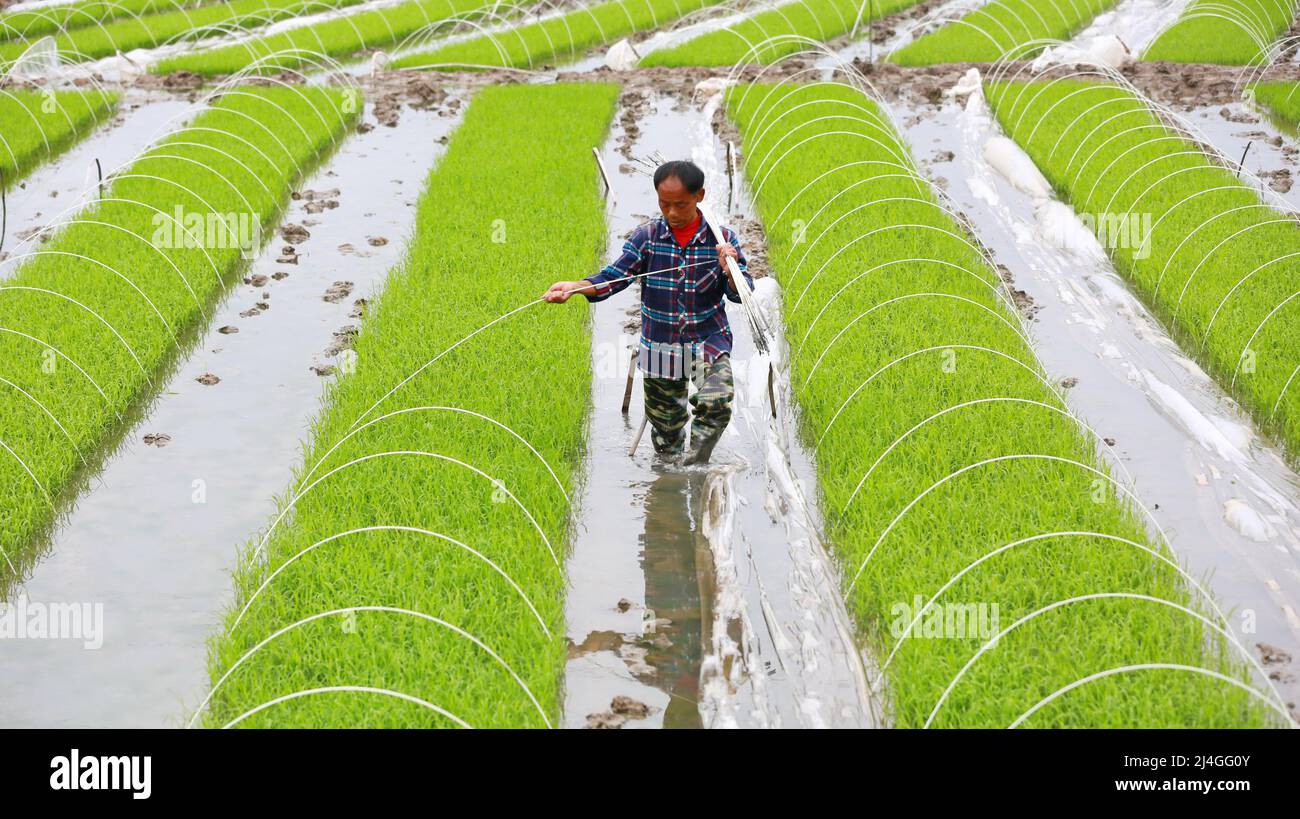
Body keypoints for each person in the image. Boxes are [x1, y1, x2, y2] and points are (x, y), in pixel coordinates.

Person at [543, 159, 752, 465]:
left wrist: (729, 269)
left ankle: (695, 465)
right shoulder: (648, 237)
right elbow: (613, 278)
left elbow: (741, 294)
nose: (671, 213)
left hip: (707, 341)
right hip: (660, 348)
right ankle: (669, 483)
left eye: (679, 205)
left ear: (700, 196)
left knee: (717, 401)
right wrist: (574, 288)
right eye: (664, 204)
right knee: (666, 439)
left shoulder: (722, 241)